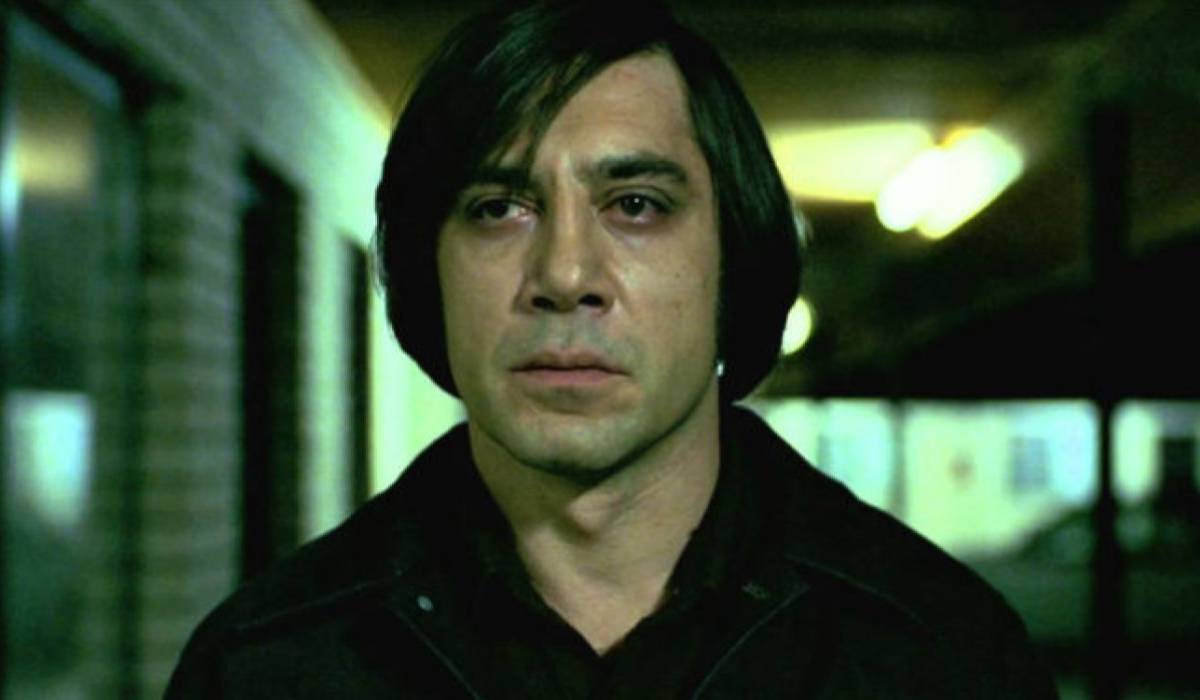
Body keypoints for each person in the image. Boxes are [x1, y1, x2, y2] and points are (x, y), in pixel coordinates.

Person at [167, 1, 1059, 697]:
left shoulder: (939, 657)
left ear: (734, 261)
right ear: (427, 272)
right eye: (498, 209)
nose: (564, 274)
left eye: (635, 205)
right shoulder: (265, 669)